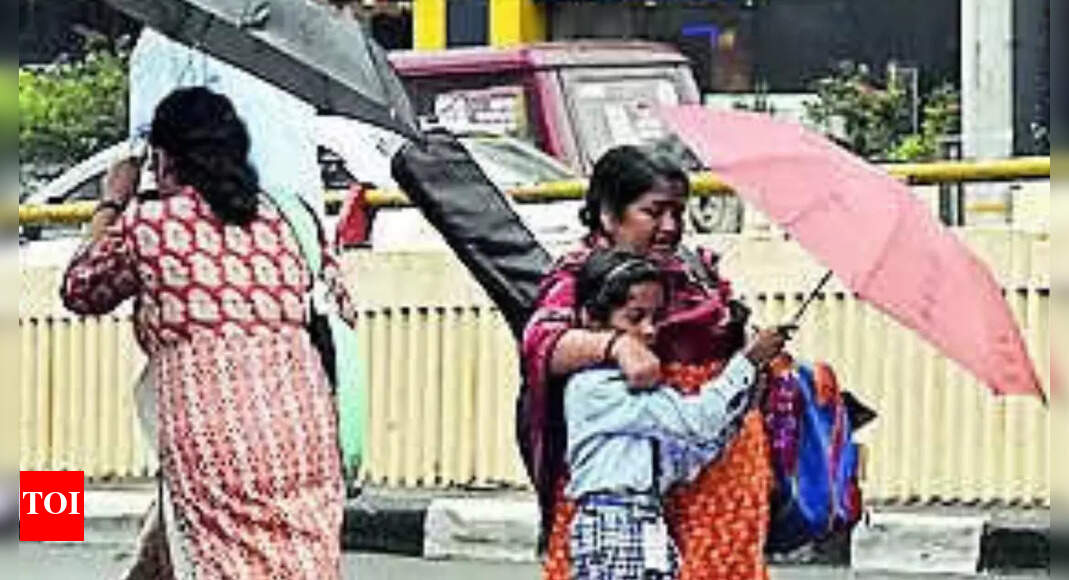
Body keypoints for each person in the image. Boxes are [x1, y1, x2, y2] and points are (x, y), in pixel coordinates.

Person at [61, 87, 355, 578]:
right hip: (302, 421)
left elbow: (80, 288)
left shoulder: (150, 223)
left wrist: (111, 202)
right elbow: (342, 305)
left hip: (211, 429)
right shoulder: (291, 217)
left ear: (165, 158)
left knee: (222, 562)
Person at [520, 145, 774, 580]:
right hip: (624, 468)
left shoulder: (695, 272)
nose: (670, 227)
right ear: (607, 214)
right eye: (653, 212)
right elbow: (542, 342)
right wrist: (616, 346)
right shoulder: (583, 279)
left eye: (678, 212)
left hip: (714, 460)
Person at [563, 250, 786, 579]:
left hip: (645, 522)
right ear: (593, 320)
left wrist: (743, 404)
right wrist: (747, 362)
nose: (650, 330)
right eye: (635, 317)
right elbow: (696, 421)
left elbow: (687, 456)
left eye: (655, 317)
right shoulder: (597, 389)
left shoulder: (640, 392)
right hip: (615, 524)